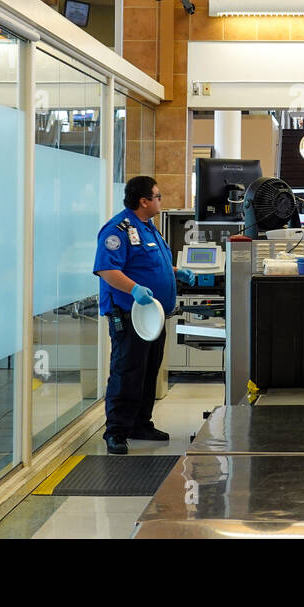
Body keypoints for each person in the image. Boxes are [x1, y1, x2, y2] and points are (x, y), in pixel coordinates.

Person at [93, 175, 195, 455]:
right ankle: (116, 431)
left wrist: (175, 272)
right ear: (144, 201)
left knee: (149, 370)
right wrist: (135, 289)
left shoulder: (148, 228)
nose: (161, 200)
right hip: (129, 315)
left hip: (153, 316)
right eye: (158, 196)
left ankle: (140, 423)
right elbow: (107, 269)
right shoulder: (118, 230)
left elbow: (147, 265)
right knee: (127, 372)